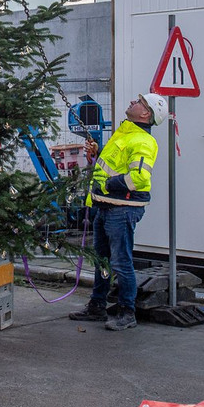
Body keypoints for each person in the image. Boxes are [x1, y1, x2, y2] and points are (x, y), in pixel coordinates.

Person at [68, 93, 168, 332]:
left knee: (121, 262)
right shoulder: (125, 133)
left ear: (146, 113)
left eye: (140, 102)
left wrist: (107, 186)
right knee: (102, 260)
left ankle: (127, 311)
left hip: (122, 209)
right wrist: (97, 151)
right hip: (105, 206)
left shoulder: (143, 141)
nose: (134, 101)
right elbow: (115, 165)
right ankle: (97, 305)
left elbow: (139, 178)